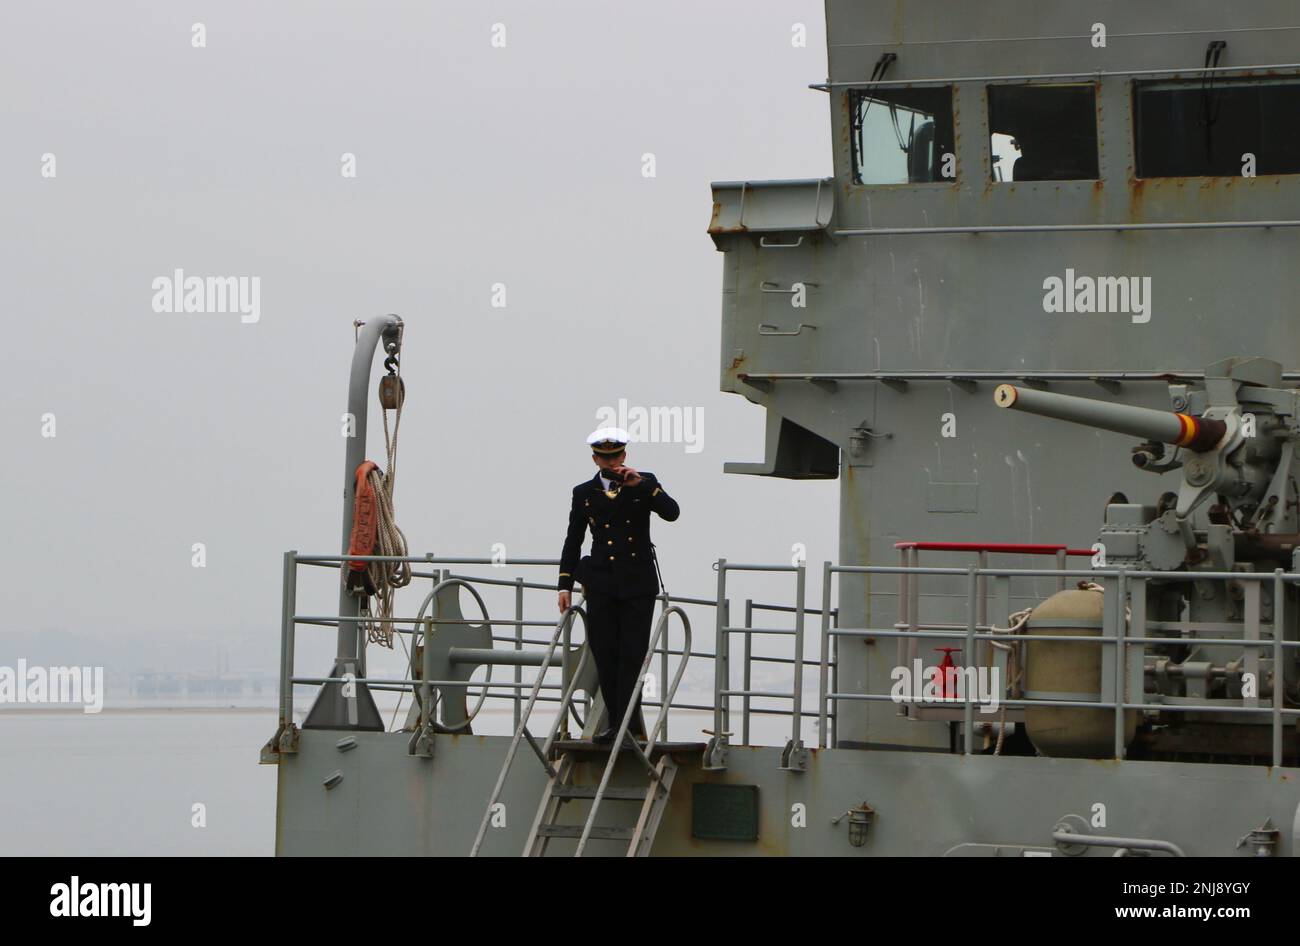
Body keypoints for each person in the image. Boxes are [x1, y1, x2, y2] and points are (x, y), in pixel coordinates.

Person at [557, 427, 680, 744]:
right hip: (602, 582)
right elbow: (574, 539)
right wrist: (564, 584)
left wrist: (645, 486)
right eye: (604, 457)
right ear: (595, 458)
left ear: (624, 455)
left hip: (637, 582)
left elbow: (672, 513)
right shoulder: (584, 492)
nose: (611, 462)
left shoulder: (644, 483)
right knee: (605, 653)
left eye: (616, 456)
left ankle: (625, 724)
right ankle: (616, 722)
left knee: (632, 654)